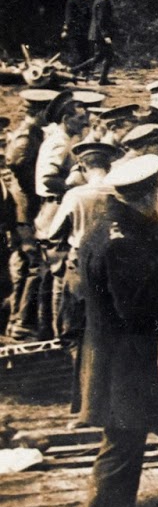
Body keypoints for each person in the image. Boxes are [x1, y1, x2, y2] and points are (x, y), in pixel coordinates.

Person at [74, 154, 158, 507]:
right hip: (123, 359)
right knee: (119, 445)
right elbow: (135, 308)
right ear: (148, 194)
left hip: (117, 354)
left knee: (130, 441)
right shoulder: (124, 242)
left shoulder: (111, 228)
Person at [41, 139, 121, 346]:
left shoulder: (75, 195)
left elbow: (54, 233)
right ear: (109, 165)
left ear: (83, 167)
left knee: (75, 323)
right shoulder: (118, 191)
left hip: (81, 262)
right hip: (115, 261)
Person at [6, 91, 59, 338]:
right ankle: (23, 323)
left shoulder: (32, 133)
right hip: (25, 211)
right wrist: (36, 187)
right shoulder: (26, 136)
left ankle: (17, 319)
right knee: (36, 266)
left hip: (24, 210)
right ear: (39, 112)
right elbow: (16, 163)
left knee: (25, 265)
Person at [87, 0, 117, 84]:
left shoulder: (102, 0)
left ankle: (103, 79)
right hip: (99, 34)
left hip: (99, 33)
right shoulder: (102, 1)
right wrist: (106, 35)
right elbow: (101, 20)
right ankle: (75, 70)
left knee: (103, 56)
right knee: (103, 56)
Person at [60, 0, 93, 75]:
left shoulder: (70, 2)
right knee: (84, 51)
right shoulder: (83, 0)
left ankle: (75, 72)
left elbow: (69, 19)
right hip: (85, 30)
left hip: (74, 31)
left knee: (75, 51)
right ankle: (85, 71)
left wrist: (65, 30)